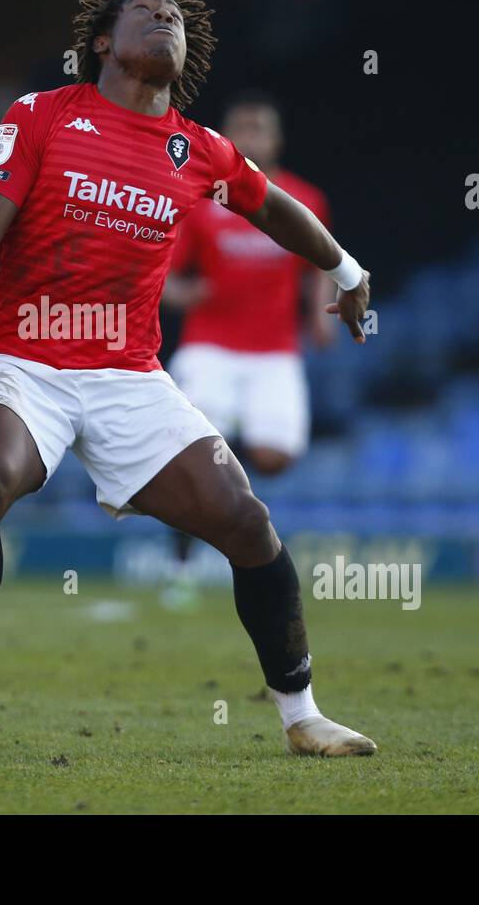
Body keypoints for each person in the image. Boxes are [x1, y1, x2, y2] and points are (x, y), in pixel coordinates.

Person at [0, 0, 376, 758]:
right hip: (27, 359)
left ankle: (302, 716)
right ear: (103, 42)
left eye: (178, 18)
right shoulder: (43, 115)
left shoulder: (198, 148)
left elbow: (275, 207)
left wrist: (347, 272)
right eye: (147, 12)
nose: (167, 21)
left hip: (129, 376)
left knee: (248, 523)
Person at [160, 91, 334, 607]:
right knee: (190, 455)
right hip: (209, 345)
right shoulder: (203, 200)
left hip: (275, 350)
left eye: (262, 128)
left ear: (277, 139)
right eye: (244, 128)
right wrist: (182, 293)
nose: (253, 136)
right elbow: (165, 271)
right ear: (230, 138)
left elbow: (320, 264)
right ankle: (181, 566)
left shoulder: (306, 198)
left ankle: (224, 480)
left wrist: (319, 312)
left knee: (275, 456)